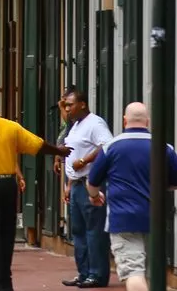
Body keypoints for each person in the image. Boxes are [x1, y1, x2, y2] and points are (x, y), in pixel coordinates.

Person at [0, 93, 71, 291]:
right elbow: (38, 145)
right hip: (8, 185)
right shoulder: (11, 127)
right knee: (6, 233)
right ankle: (4, 281)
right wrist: (59, 151)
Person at [87, 103, 177, 291]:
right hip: (154, 218)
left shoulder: (111, 147)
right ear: (147, 121)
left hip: (123, 218)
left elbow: (92, 181)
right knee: (151, 272)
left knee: (134, 272)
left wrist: (94, 196)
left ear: (125, 120)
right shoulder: (164, 147)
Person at [61, 90, 114, 289]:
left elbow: (107, 145)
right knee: (78, 231)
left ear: (83, 104)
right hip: (76, 184)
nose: (67, 108)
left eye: (70, 105)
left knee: (94, 230)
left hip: (90, 183)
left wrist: (85, 161)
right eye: (65, 105)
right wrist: (68, 184)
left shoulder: (95, 123)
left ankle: (97, 274)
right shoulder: (74, 126)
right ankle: (83, 272)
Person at [54, 85, 77, 175]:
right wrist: (57, 156)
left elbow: (69, 120)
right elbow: (62, 136)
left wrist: (61, 107)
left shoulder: (72, 116)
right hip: (63, 157)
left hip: (70, 158)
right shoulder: (66, 113)